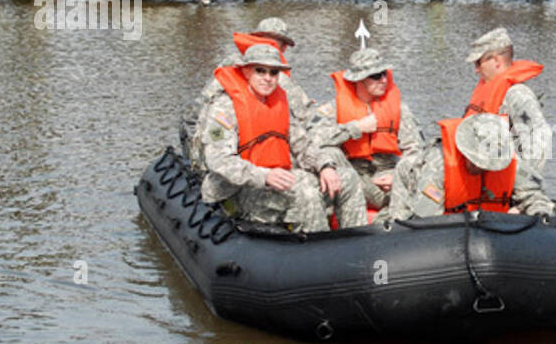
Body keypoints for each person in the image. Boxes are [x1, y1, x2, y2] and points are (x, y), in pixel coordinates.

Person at [196, 45, 367, 232]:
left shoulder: (279, 102)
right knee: (305, 192)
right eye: (260, 71)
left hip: (278, 180)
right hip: (241, 189)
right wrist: (265, 176)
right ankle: (319, 251)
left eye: (274, 72)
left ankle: (357, 242)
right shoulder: (224, 109)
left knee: (348, 177)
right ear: (246, 71)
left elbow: (303, 146)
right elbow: (219, 160)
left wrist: (324, 166)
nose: (268, 78)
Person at [180, 18, 314, 163]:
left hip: (213, 134)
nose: (267, 76)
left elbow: (194, 109)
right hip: (219, 142)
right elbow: (305, 114)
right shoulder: (274, 75)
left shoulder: (231, 64)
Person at [310, 48, 422, 213]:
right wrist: (356, 128)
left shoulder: (400, 110)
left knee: (414, 170)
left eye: (384, 73)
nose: (383, 80)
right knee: (329, 151)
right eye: (376, 76)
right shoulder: (334, 109)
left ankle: (393, 222)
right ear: (358, 79)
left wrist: (396, 177)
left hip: (388, 178)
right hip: (352, 177)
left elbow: (415, 150)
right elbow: (312, 139)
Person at [388, 113, 554, 221]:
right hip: (409, 181)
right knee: (399, 223)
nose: (482, 168)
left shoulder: (508, 161)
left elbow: (534, 195)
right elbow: (426, 219)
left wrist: (532, 213)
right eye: (478, 161)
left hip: (480, 219)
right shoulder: (439, 164)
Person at [464, 28, 551, 176]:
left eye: (478, 63)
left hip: (510, 187)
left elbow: (539, 142)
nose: (476, 70)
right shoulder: (487, 91)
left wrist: (525, 184)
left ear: (496, 60)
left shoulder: (518, 95)